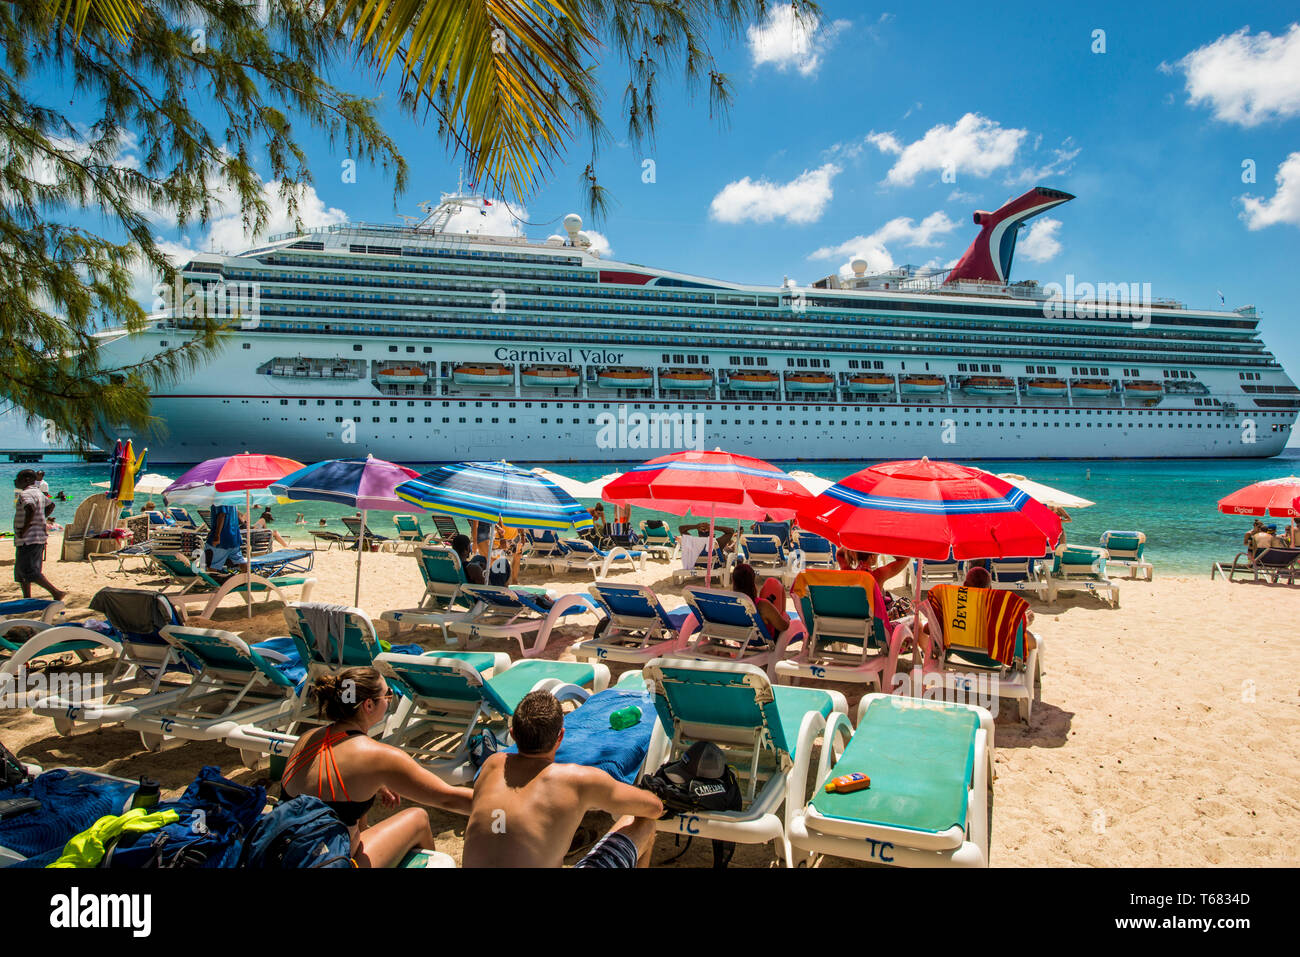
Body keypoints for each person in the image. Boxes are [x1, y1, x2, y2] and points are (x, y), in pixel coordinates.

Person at [281, 667, 473, 867]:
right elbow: (447, 799)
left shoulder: (306, 739)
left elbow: (331, 782)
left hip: (281, 854)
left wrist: (376, 782)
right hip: (327, 862)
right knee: (418, 818)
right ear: (369, 705)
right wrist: (500, 805)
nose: (390, 699)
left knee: (354, 810)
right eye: (388, 694)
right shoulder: (377, 757)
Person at [463, 690, 663, 867]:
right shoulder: (578, 779)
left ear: (513, 735)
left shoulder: (492, 764)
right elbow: (653, 808)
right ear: (561, 737)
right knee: (642, 822)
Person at [12, 469, 65, 601]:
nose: (15, 481)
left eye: (17, 479)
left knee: (29, 570)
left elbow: (29, 508)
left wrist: (25, 528)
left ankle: (56, 592)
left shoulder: (25, 494)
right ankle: (27, 598)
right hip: (37, 537)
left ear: (27, 480)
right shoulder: (38, 492)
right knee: (21, 570)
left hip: (28, 538)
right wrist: (40, 517)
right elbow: (51, 504)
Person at [730, 561, 789, 641]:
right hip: (761, 640)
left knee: (771, 583)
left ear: (733, 582)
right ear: (752, 582)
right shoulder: (762, 606)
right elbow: (783, 626)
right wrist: (785, 615)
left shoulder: (727, 602)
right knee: (772, 582)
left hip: (738, 637)